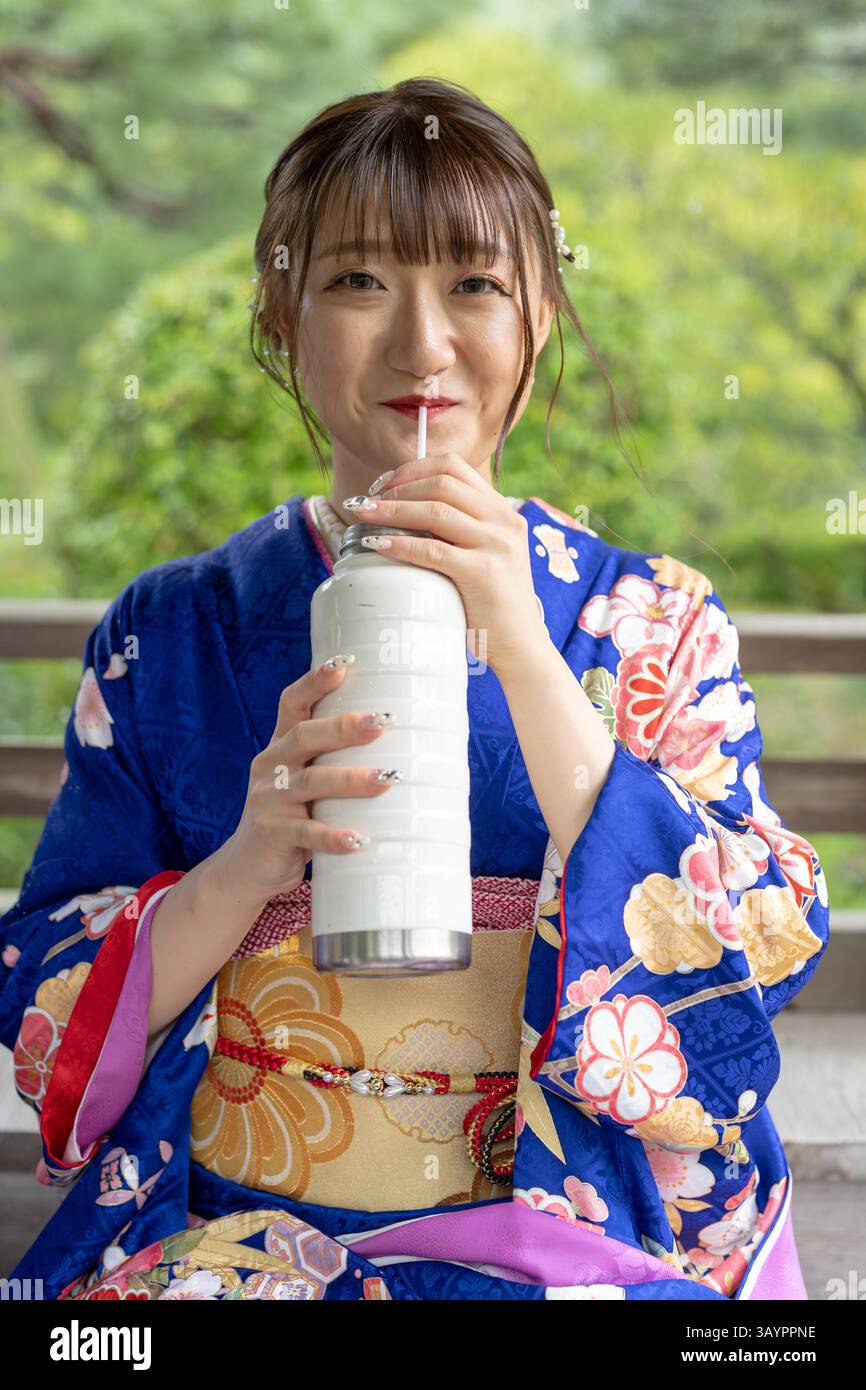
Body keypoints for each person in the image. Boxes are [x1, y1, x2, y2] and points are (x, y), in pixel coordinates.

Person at [0, 77, 829, 1302]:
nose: (421, 343)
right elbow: (46, 996)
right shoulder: (172, 631)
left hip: (571, 1225)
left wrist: (525, 650)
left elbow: (759, 948)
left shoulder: (651, 621)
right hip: (242, 1236)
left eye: (474, 285)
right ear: (280, 312)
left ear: (540, 311)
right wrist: (247, 860)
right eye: (357, 281)